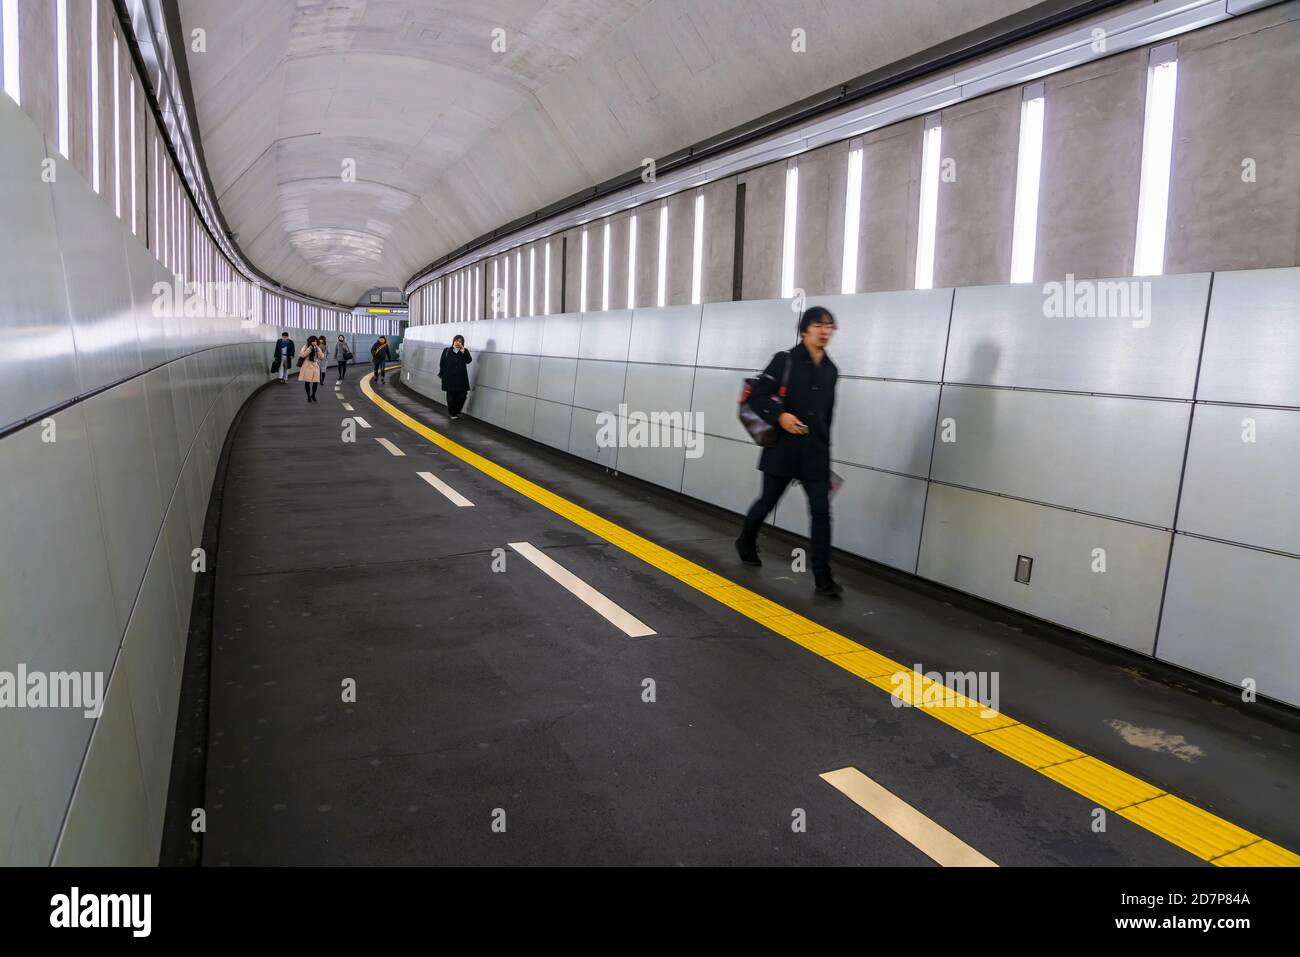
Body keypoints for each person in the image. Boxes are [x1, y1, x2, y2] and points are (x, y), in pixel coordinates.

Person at [736, 306, 842, 597]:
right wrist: (779, 416)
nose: (825, 331)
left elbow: (827, 416)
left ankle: (823, 577)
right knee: (768, 501)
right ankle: (746, 540)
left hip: (816, 454)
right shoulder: (785, 361)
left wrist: (825, 454)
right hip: (783, 448)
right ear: (805, 329)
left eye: (830, 326)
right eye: (819, 325)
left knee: (821, 512)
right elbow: (756, 396)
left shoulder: (832, 371)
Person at [438, 335, 472, 419]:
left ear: (462, 343)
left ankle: (457, 411)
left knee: (462, 396)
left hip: (461, 378)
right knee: (451, 396)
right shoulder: (447, 350)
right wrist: (443, 375)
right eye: (457, 340)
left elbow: (469, 360)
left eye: (460, 341)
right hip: (449, 378)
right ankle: (453, 413)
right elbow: (442, 363)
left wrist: (463, 351)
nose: (458, 342)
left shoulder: (464, 351)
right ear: (453, 341)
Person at [299, 335, 324, 402]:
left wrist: (318, 351)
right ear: (310, 341)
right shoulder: (306, 346)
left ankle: (313, 395)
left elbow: (322, 357)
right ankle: (308, 396)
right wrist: (309, 349)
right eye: (313, 341)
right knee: (307, 382)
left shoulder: (318, 348)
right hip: (307, 365)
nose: (314, 343)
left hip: (315, 365)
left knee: (315, 381)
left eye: (315, 341)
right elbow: (302, 355)